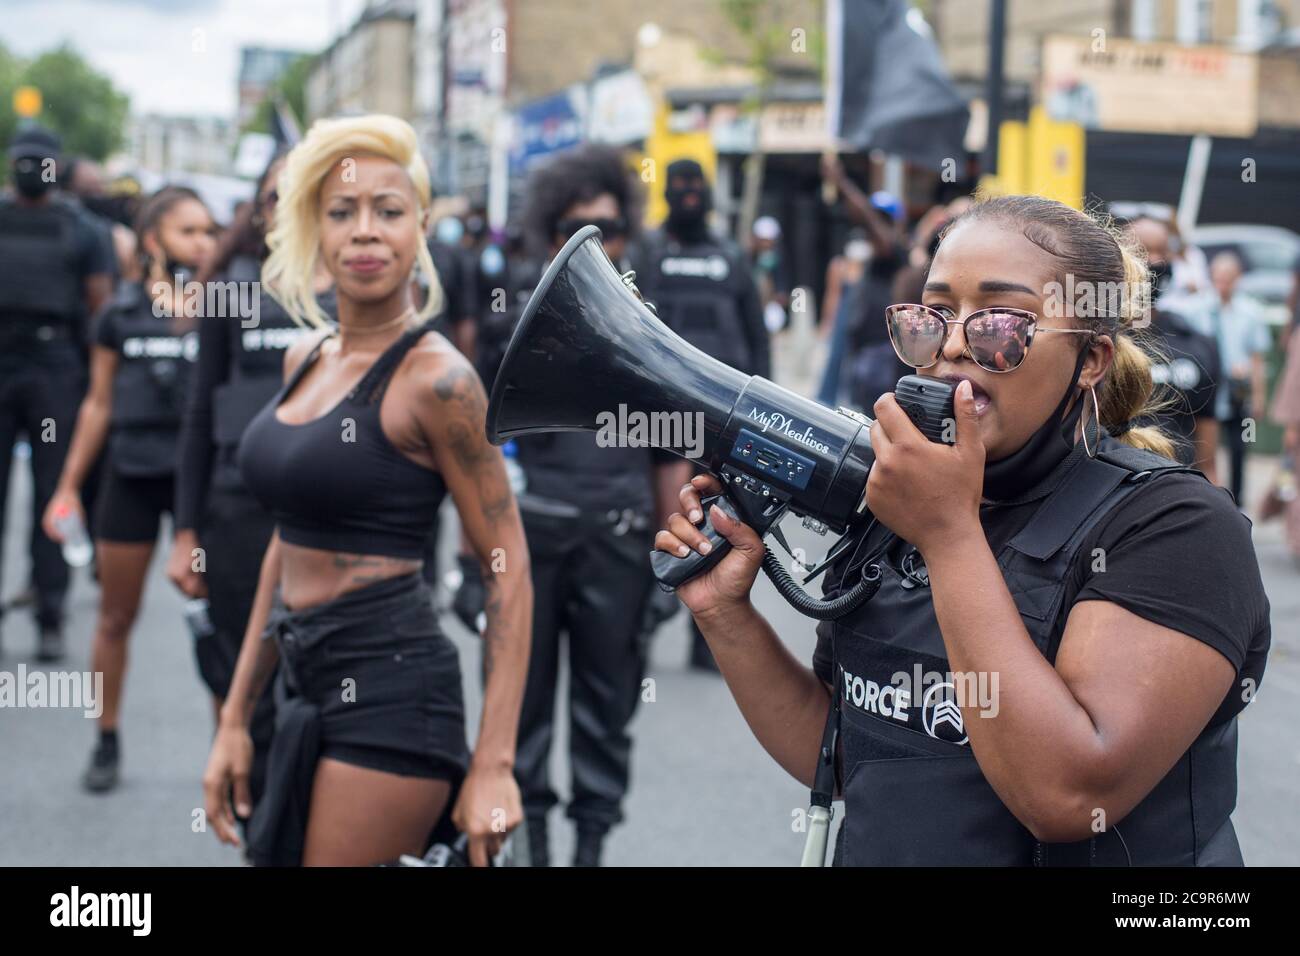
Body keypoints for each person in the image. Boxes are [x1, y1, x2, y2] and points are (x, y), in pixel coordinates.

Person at [655, 195, 1269, 865]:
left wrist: (947, 533)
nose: (950, 346)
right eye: (931, 317)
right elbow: (846, 759)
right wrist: (727, 617)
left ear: (1089, 360)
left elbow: (1066, 795)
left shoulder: (1174, 528)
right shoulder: (898, 502)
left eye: (999, 325)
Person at [201, 115, 531, 867]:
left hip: (393, 688)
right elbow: (286, 543)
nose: (365, 231)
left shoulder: (439, 379)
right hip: (300, 679)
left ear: (419, 225)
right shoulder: (304, 358)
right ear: (313, 230)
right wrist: (233, 716)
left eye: (389, 210)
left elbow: (508, 568)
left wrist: (495, 764)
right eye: (342, 211)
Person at [478, 145, 691, 865]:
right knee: (524, 707)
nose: (600, 238)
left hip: (619, 539)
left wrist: (677, 555)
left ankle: (590, 852)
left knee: (606, 715)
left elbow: (670, 449)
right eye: (578, 224)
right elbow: (478, 449)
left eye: (611, 227)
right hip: (533, 536)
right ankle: (533, 847)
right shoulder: (514, 315)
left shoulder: (648, 327)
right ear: (550, 229)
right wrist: (467, 558)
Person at [167, 153, 335, 821]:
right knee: (253, 682)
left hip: (332, 521)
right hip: (238, 515)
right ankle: (264, 824)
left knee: (329, 690)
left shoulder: (362, 288)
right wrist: (185, 534)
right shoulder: (232, 286)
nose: (285, 206)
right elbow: (200, 412)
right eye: (274, 194)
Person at [43, 186, 215, 790]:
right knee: (115, 617)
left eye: (209, 231)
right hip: (132, 475)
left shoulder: (225, 307)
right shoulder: (118, 312)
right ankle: (106, 738)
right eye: (190, 230)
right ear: (153, 239)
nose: (204, 241)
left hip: (201, 482)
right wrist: (66, 487)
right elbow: (97, 403)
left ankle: (233, 747)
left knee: (219, 618)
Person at [630, 157, 768, 671]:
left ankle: (704, 635)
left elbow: (754, 333)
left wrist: (761, 405)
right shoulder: (648, 250)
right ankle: (644, 620)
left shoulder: (729, 255)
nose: (689, 192)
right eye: (679, 184)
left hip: (725, 414)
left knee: (716, 524)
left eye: (696, 185)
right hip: (663, 412)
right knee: (672, 522)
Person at [0, 125, 113, 660]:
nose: (31, 170)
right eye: (24, 161)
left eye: (39, 162)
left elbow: (101, 310)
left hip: (54, 368)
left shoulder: (82, 230)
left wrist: (98, 385)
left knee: (54, 493)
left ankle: (50, 614)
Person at [1124, 215, 1221, 471]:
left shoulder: (1197, 343)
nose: (1154, 261)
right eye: (1142, 251)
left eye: (1162, 251)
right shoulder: (1093, 340)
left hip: (1178, 494)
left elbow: (1208, 457)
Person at [1185, 251, 1271, 505]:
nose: (1222, 284)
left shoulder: (1250, 311)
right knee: (1204, 446)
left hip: (1237, 391)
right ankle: (1205, 495)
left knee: (1241, 444)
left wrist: (1258, 396)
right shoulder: (1196, 308)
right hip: (1207, 388)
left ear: (1238, 279)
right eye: (1218, 278)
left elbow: (1257, 358)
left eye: (1228, 279)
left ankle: (1237, 499)